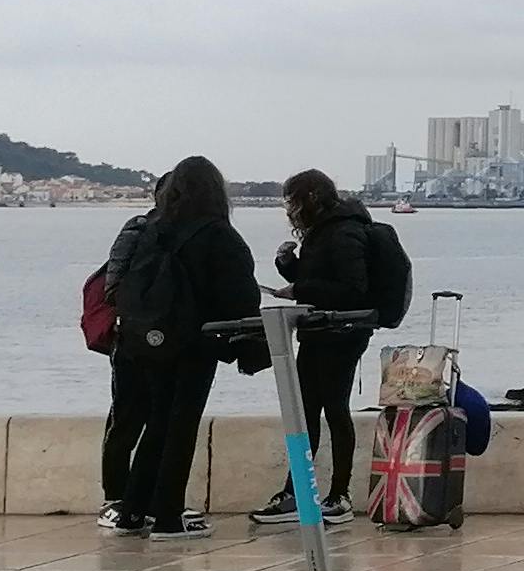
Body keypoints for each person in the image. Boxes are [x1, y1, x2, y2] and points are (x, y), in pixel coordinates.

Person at [103, 156, 261, 538]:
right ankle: (169, 517)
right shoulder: (218, 235)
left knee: (157, 422)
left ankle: (133, 512)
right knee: (181, 427)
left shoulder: (154, 229)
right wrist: (251, 349)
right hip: (195, 343)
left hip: (148, 341)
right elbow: (239, 295)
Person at [257, 170, 391, 522]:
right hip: (319, 332)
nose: (290, 210)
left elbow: (352, 289)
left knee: (334, 409)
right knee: (307, 412)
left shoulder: (344, 231)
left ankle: (338, 494)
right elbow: (320, 278)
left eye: (293, 201)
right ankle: (298, 492)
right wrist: (289, 266)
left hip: (343, 334)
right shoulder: (324, 230)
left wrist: (299, 289)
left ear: (312, 197)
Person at [94, 204, 155, 523]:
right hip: (133, 340)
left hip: (139, 337)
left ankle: (130, 497)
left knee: (128, 419)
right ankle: (115, 496)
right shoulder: (139, 230)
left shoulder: (146, 231)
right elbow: (114, 289)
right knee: (125, 420)